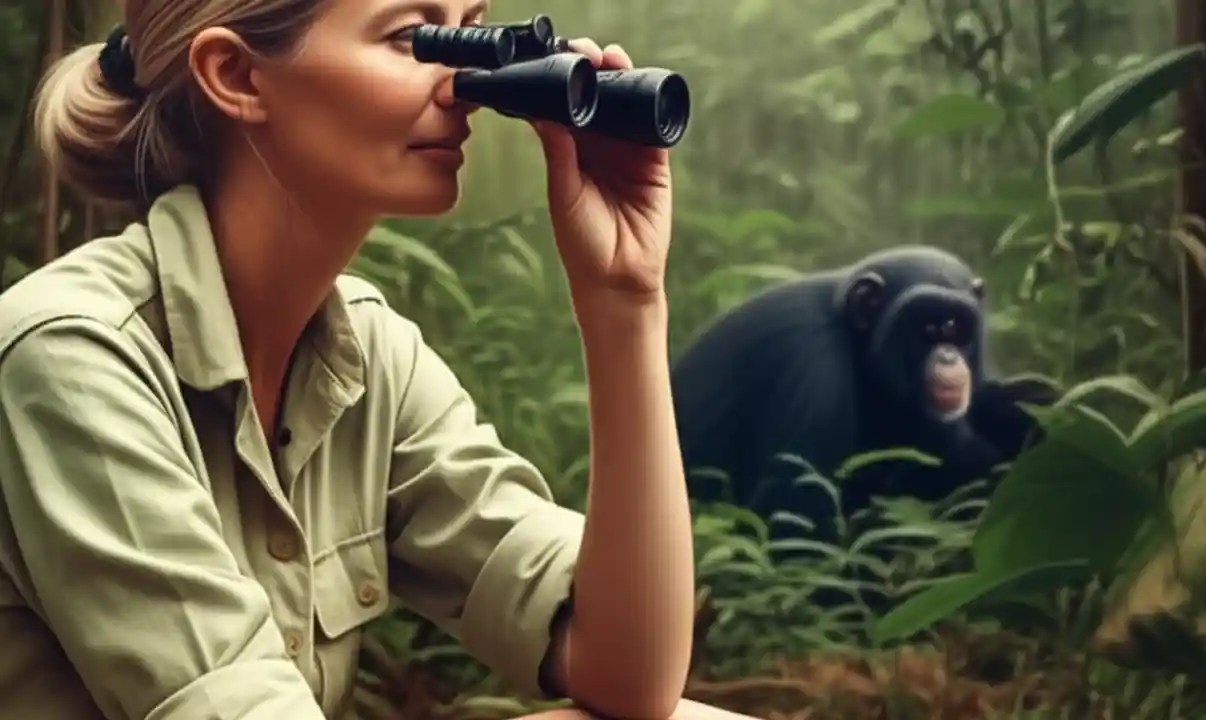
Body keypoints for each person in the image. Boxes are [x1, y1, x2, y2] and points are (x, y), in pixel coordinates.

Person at [0, 1, 753, 718]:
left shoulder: (365, 355)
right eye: (413, 38)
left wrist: (625, 297)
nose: (466, 89)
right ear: (237, 76)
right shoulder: (70, 355)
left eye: (472, 32)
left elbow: (630, 675)